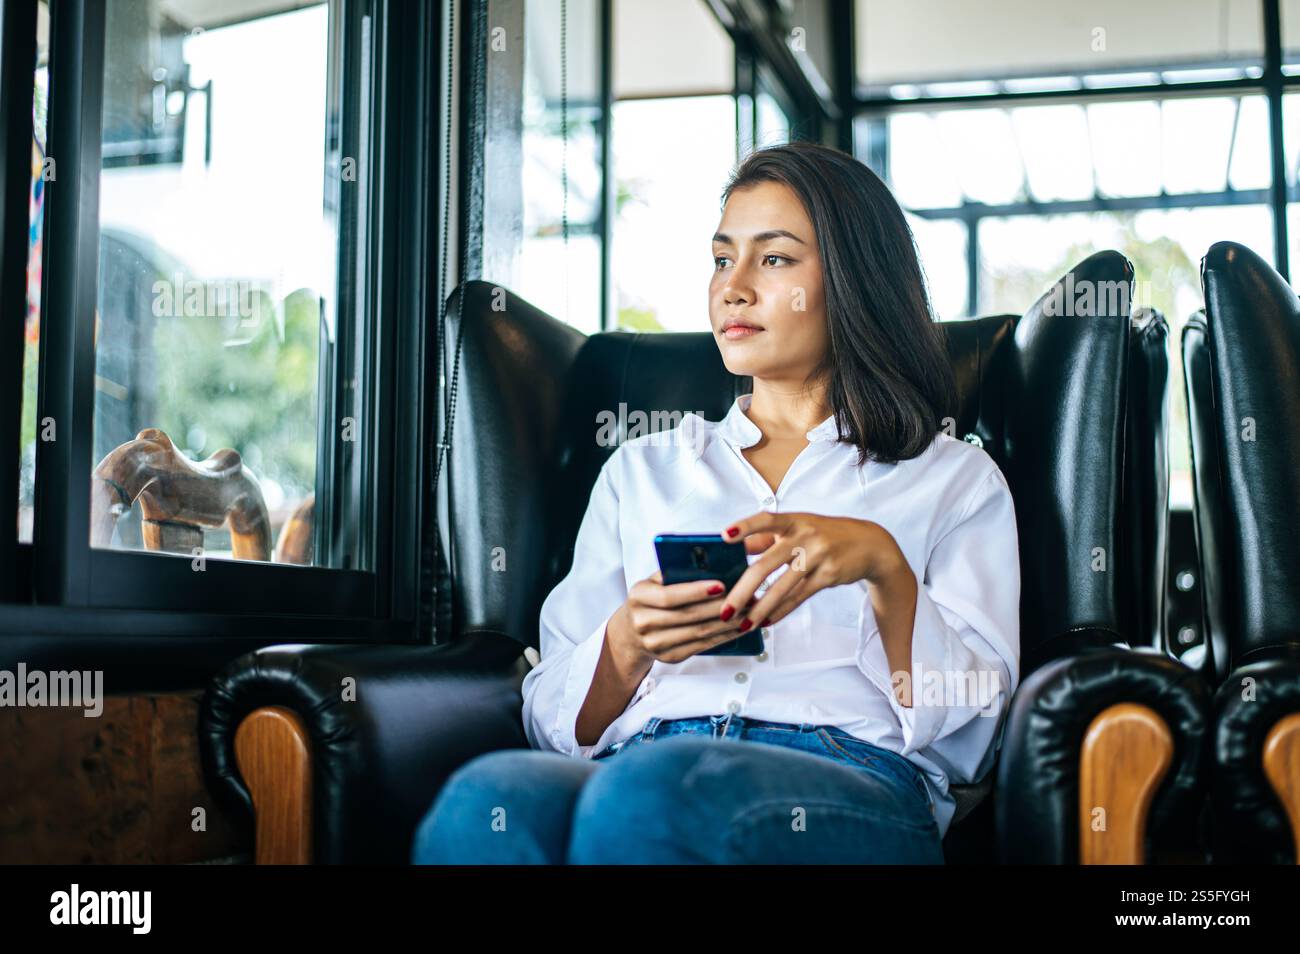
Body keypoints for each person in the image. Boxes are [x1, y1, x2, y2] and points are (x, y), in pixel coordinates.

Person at [412, 140, 1020, 864]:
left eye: (774, 259)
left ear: (857, 279)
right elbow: (552, 723)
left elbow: (976, 741)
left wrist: (888, 574)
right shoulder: (644, 469)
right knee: (490, 799)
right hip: (639, 760)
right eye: (722, 257)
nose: (732, 287)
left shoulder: (953, 479)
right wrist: (626, 645)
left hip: (851, 781)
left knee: (659, 792)